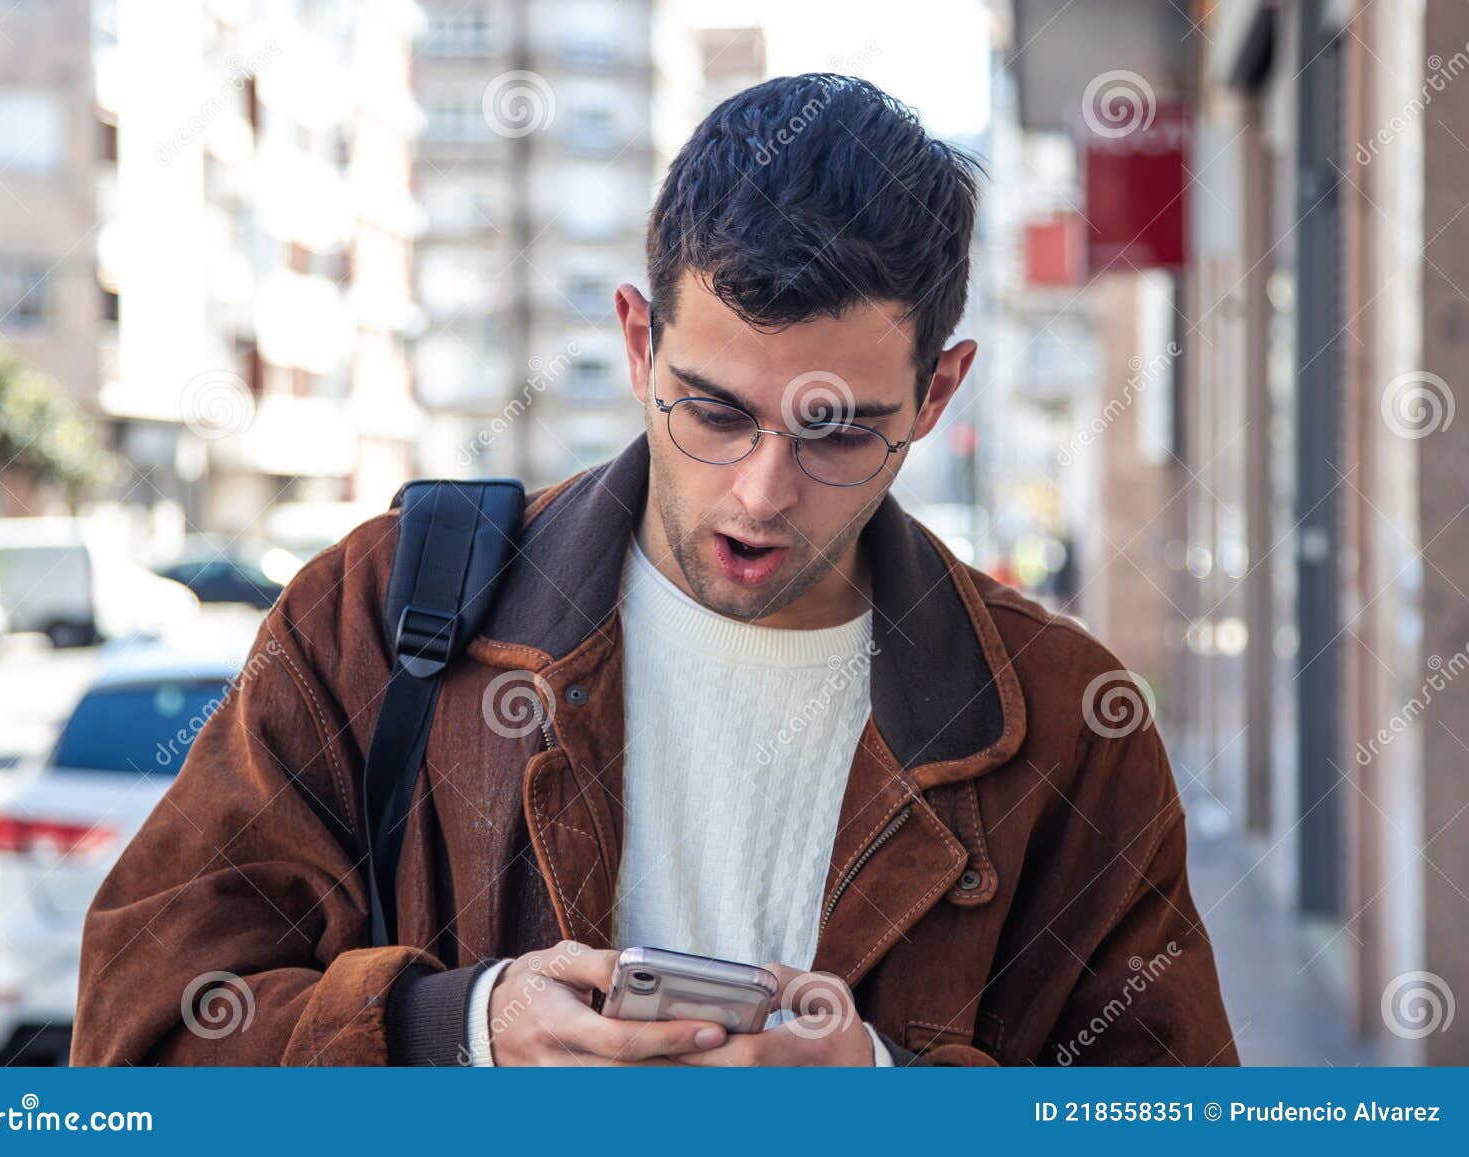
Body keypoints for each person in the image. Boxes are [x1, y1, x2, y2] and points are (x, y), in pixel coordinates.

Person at [72, 74, 1237, 1067]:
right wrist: (459, 1029)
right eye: (715, 411)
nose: (761, 491)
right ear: (639, 341)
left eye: (837, 432)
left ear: (937, 394)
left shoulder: (1069, 729)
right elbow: (140, 1033)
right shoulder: (376, 614)